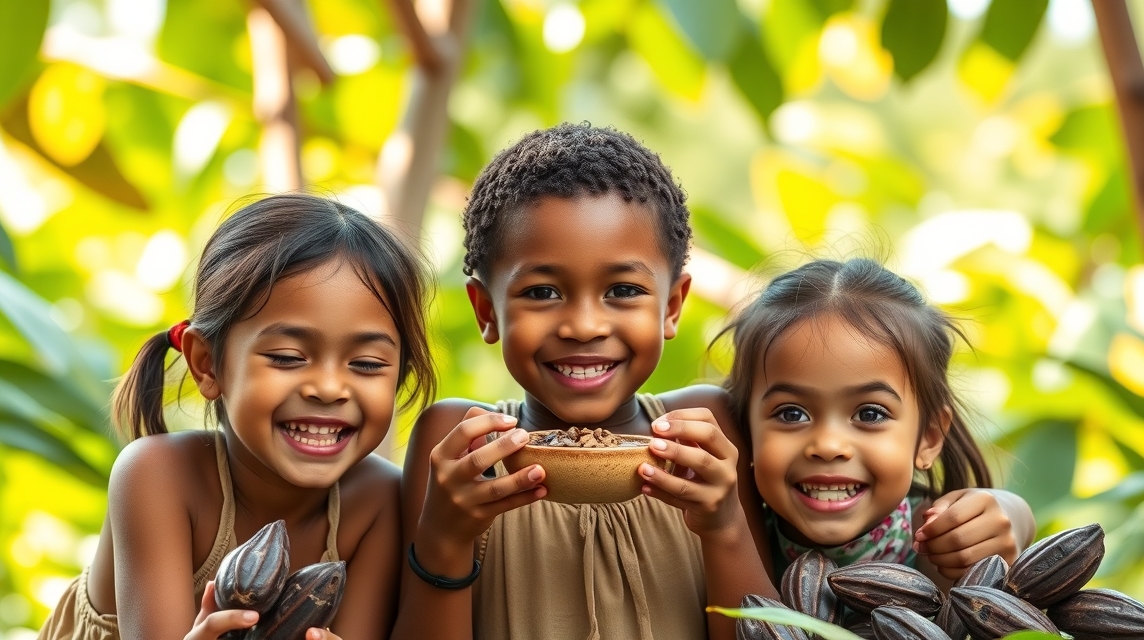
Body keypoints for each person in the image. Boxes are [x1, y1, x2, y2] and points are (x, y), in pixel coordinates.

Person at [392, 123, 774, 640]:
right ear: (487, 311)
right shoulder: (460, 448)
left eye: (622, 289)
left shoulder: (705, 438)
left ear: (672, 305)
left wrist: (725, 527)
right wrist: (443, 539)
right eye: (543, 292)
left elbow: (768, 627)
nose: (584, 326)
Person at [37, 194, 434, 640]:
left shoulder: (378, 501)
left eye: (365, 364)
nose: (328, 388)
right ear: (207, 364)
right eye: (287, 357)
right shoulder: (156, 476)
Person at [717, 258, 1035, 589]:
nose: (828, 445)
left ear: (928, 437)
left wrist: (1014, 514)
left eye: (870, 414)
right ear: (745, 433)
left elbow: (1010, 523)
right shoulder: (727, 533)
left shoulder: (934, 540)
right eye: (791, 413)